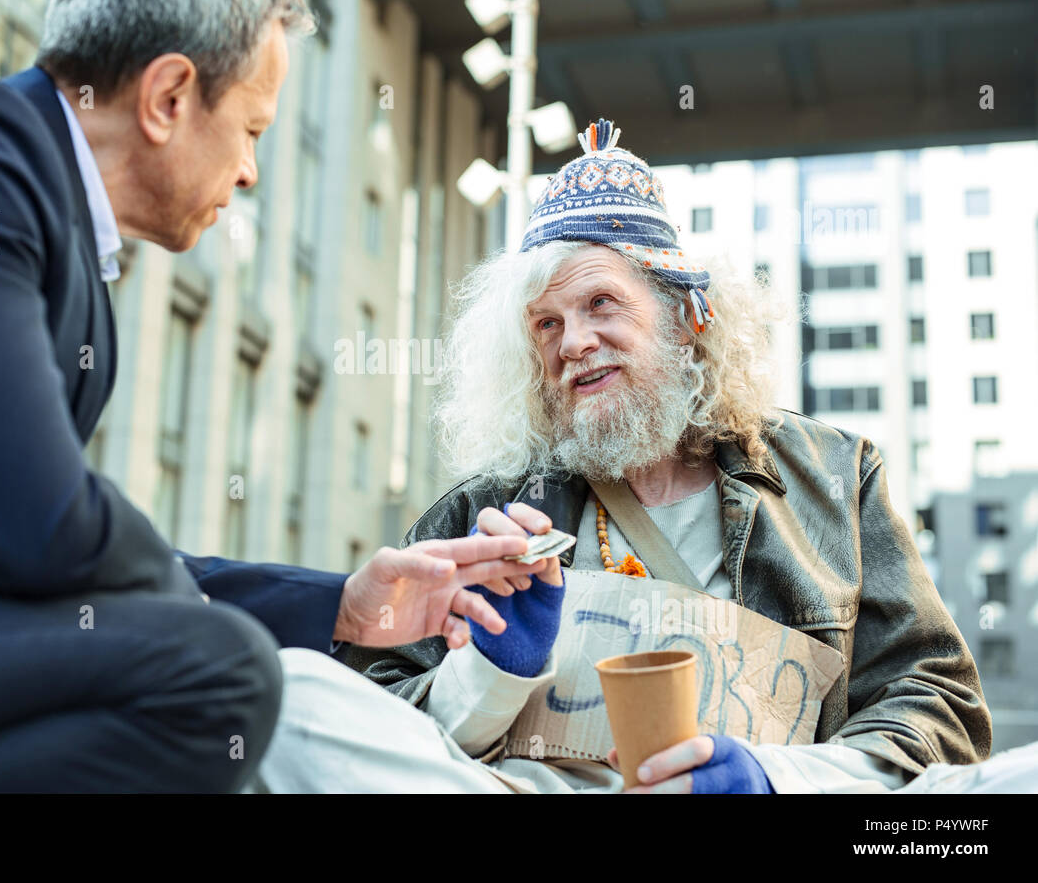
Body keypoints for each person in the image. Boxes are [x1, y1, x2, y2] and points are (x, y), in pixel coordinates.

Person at [0, 0, 546, 793]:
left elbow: (74, 545)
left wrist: (339, 608)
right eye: (251, 130)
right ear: (168, 97)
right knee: (215, 674)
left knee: (220, 663)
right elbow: (43, 529)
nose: (250, 174)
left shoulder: (44, 225)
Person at [250, 119, 1033, 794]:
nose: (574, 344)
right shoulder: (478, 517)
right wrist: (487, 669)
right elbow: (372, 738)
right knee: (296, 699)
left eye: (601, 304)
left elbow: (937, 708)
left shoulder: (836, 476)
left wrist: (772, 780)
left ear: (686, 315)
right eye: (546, 326)